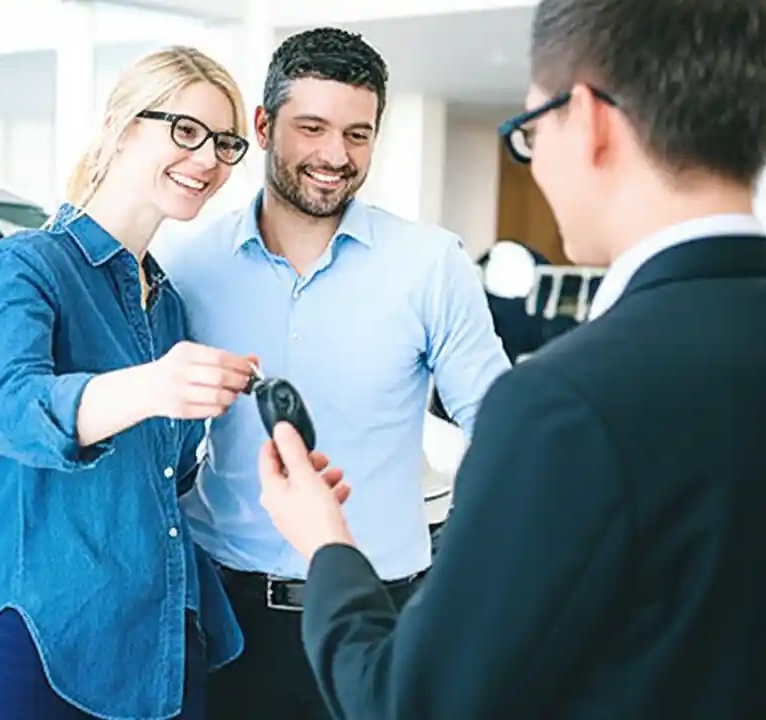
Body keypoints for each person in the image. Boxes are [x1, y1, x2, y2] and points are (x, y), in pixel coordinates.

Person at [255, 1, 766, 718]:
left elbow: (408, 702)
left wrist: (326, 541)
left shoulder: (560, 404)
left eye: (529, 132)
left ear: (590, 121)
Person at [153, 27, 511, 718]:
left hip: (378, 615)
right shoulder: (189, 266)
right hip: (225, 615)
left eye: (357, 134)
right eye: (311, 127)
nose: (334, 156)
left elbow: (499, 421)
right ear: (262, 125)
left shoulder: (430, 264)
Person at [0, 46, 258, 720]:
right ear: (121, 127)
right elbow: (12, 411)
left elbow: (167, 480)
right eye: (185, 131)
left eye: (226, 142)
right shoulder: (22, 268)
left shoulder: (169, 304)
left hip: (163, 640)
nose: (208, 159)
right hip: (44, 635)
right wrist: (153, 387)